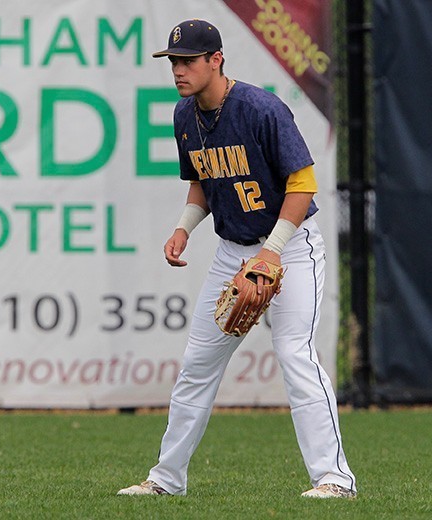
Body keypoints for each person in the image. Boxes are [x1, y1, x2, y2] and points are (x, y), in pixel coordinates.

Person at [117, 19, 357, 499]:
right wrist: (183, 229)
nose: (179, 71)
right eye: (174, 62)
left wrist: (271, 252)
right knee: (197, 363)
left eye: (188, 61)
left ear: (216, 60)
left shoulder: (261, 109)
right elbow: (202, 184)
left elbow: (303, 184)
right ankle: (166, 480)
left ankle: (335, 479)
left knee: (294, 353)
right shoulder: (185, 116)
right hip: (233, 253)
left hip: (290, 245)